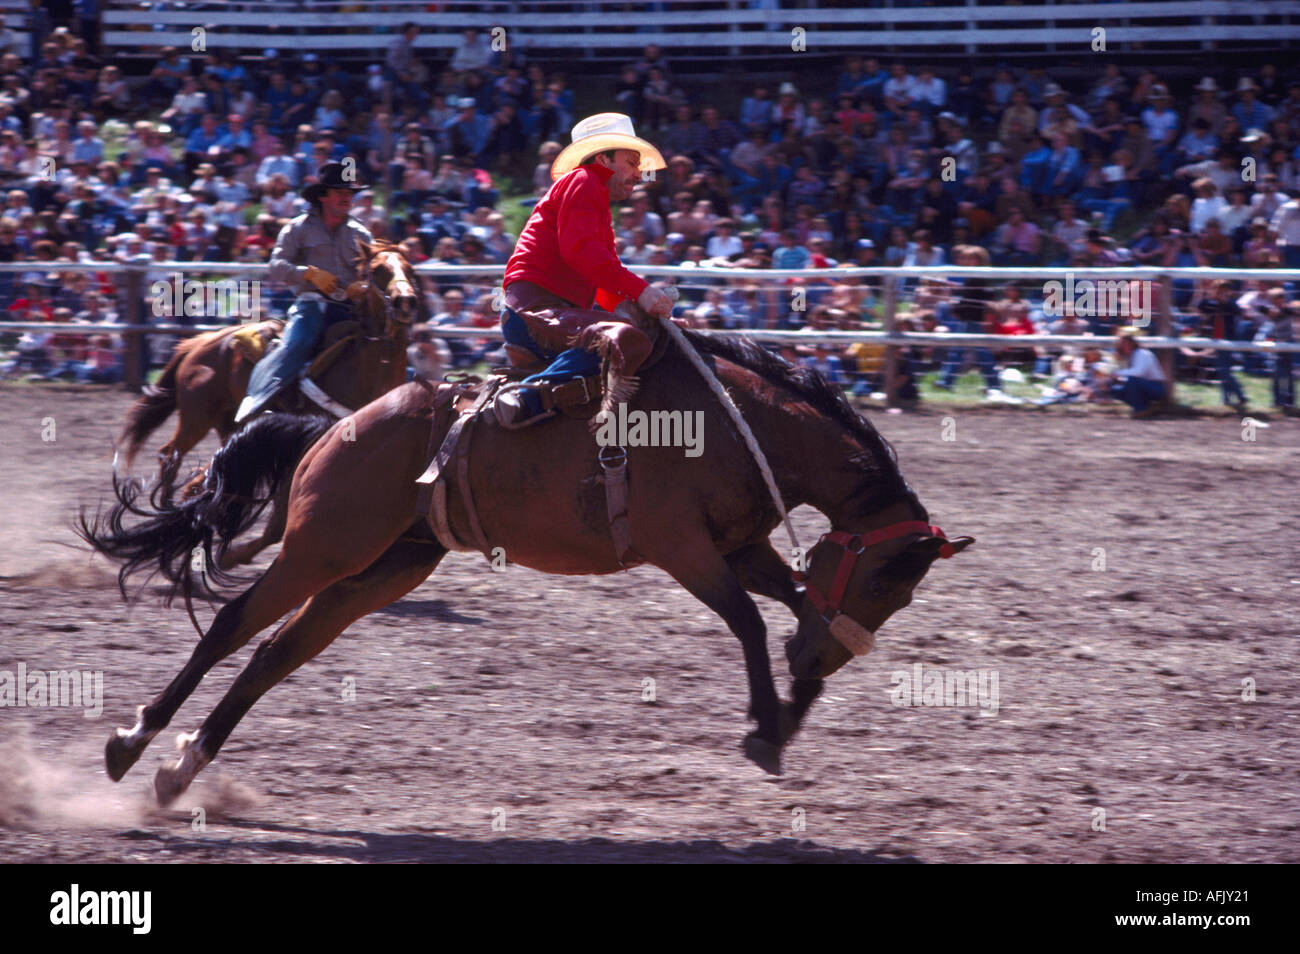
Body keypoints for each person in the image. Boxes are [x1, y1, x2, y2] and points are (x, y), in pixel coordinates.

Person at [496, 113, 670, 425]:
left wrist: (647, 310)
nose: (637, 174)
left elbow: (601, 281)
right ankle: (526, 397)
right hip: (536, 311)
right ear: (603, 159)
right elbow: (582, 253)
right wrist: (642, 292)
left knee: (642, 334)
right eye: (631, 163)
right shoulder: (585, 181)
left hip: (546, 310)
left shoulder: (594, 197)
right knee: (625, 340)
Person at [235, 162, 372, 422]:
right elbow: (276, 266)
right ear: (322, 196)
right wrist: (308, 273)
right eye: (339, 191)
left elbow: (373, 273)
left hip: (350, 308)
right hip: (312, 304)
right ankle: (257, 400)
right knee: (297, 344)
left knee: (382, 344)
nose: (346, 197)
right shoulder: (298, 227)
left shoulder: (361, 233)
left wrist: (363, 286)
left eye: (350, 193)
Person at [1109, 327, 1168, 417]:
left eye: (1128, 343)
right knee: (1115, 389)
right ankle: (1146, 407)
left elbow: (1139, 373)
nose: (1125, 346)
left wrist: (1119, 373)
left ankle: (1141, 409)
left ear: (1133, 343)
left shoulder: (1142, 353)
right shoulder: (1129, 357)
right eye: (1123, 344)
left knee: (1132, 381)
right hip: (1145, 385)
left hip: (1156, 387)